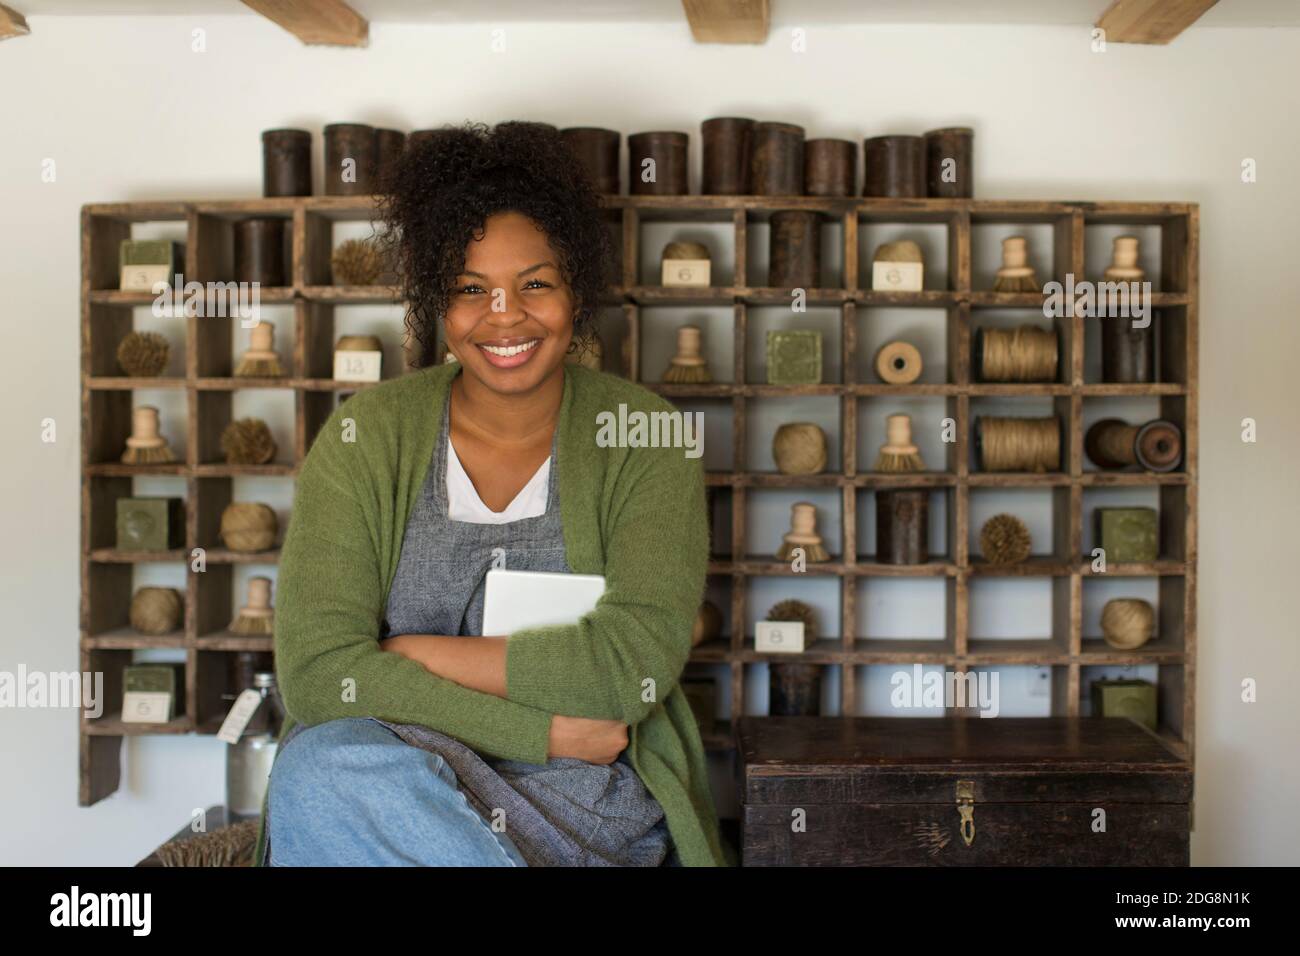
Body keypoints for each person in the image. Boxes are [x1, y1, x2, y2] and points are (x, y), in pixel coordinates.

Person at [255, 120, 729, 867]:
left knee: (324, 783)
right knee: (322, 768)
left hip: (582, 795)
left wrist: (410, 653)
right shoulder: (368, 436)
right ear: (435, 306)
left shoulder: (644, 435)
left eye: (534, 283)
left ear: (576, 288)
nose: (504, 315)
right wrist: (542, 729)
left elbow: (623, 670)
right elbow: (318, 676)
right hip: (399, 780)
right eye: (470, 289)